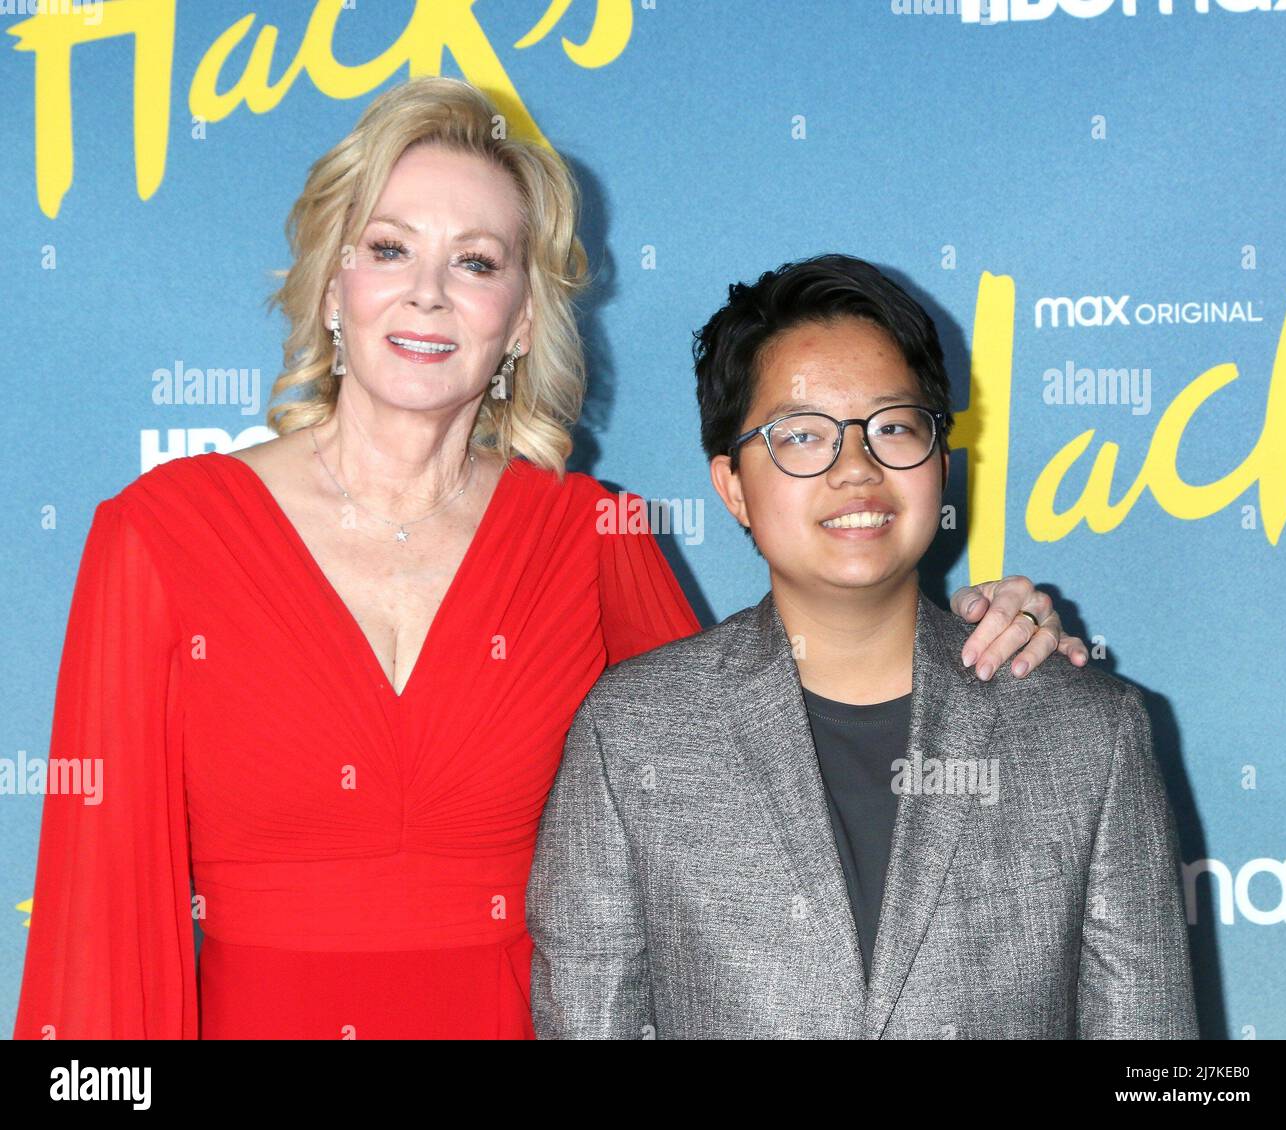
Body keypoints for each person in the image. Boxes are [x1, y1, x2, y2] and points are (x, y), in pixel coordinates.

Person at [13, 79, 1085, 1041]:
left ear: (521, 319)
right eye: (390, 248)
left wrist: (974, 651)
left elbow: (781, 789)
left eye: (475, 262)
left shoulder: (586, 537)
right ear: (332, 283)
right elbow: (99, 924)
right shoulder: (161, 533)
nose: (427, 292)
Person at [527, 254, 1198, 1039]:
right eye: (802, 436)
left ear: (942, 464)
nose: (856, 469)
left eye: (893, 427)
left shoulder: (1086, 733)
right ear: (733, 485)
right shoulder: (634, 731)